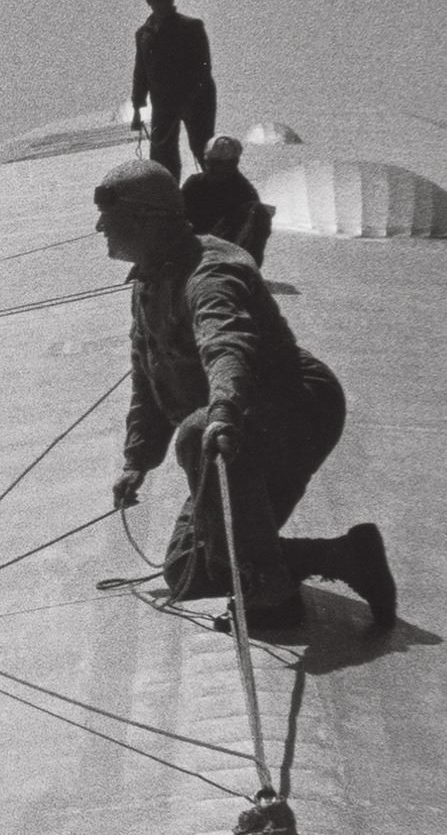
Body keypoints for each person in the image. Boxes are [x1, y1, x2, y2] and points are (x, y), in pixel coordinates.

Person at [94, 159, 396, 633]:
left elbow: (225, 342)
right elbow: (148, 374)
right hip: (238, 420)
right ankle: (345, 556)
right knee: (186, 572)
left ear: (143, 220)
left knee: (196, 434)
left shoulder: (210, 274)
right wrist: (137, 460)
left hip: (292, 409)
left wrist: (223, 410)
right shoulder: (150, 280)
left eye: (109, 221)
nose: (100, 230)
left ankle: (272, 602)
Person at [128, 0, 218, 181]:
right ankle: (169, 203)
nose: (164, 3)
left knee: (204, 150)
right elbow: (141, 72)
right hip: (163, 103)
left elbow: (204, 67)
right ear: (149, 1)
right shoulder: (143, 34)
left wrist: (190, 100)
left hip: (197, 100)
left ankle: (220, 194)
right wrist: (137, 108)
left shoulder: (192, 27)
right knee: (161, 157)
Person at [180, 134, 274, 263]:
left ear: (233, 163)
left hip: (227, 249)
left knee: (258, 212)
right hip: (196, 246)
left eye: (218, 164)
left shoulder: (245, 192)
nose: (212, 168)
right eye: (209, 162)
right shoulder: (195, 183)